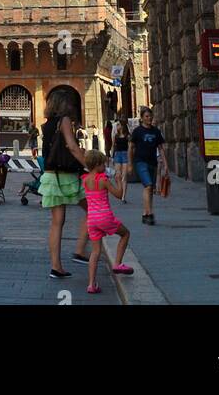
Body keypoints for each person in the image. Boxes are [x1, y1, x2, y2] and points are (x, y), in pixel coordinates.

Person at [38, 85, 89, 279]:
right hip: (66, 176)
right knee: (93, 208)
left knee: (57, 223)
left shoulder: (47, 124)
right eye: (69, 102)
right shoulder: (64, 120)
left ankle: (56, 266)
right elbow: (72, 147)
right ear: (63, 104)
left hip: (51, 175)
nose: (71, 105)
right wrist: (89, 165)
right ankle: (80, 250)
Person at [81, 150, 134, 294]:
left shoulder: (85, 180)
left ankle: (91, 284)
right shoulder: (103, 180)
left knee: (95, 251)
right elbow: (119, 195)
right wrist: (119, 181)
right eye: (103, 164)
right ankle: (117, 263)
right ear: (97, 165)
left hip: (92, 220)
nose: (105, 166)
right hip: (105, 217)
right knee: (125, 234)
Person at [129, 107, 166, 224]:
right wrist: (130, 164)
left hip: (152, 163)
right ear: (142, 118)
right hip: (140, 162)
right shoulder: (137, 131)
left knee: (150, 189)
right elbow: (131, 147)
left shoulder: (156, 131)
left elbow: (161, 148)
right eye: (146, 116)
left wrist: (165, 164)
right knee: (148, 185)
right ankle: (150, 213)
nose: (149, 118)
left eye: (150, 116)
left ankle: (145, 213)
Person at [111, 115, 131, 203]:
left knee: (124, 177)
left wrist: (130, 160)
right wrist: (112, 156)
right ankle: (120, 190)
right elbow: (113, 146)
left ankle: (123, 197)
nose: (117, 126)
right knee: (117, 176)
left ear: (122, 126)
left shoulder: (128, 136)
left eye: (118, 125)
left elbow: (130, 148)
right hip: (118, 155)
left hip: (125, 154)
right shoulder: (116, 136)